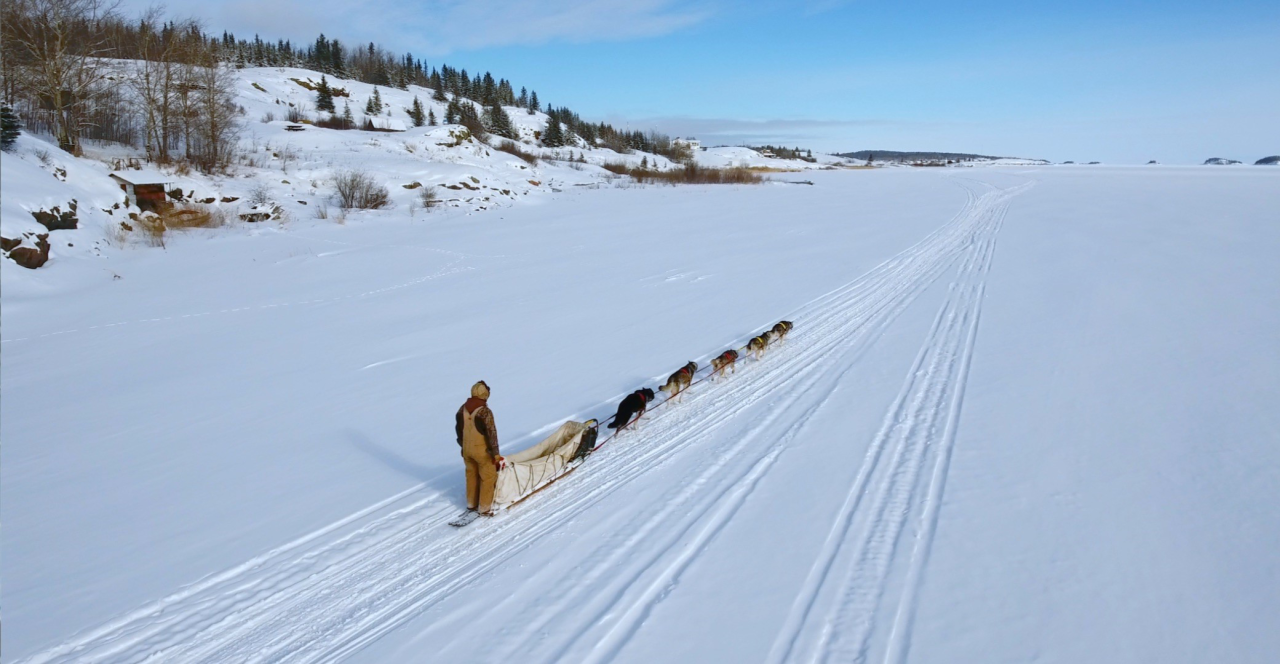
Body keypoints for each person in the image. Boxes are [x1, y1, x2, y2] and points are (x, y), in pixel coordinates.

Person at [456, 380, 505, 515]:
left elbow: (458, 430)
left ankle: (471, 504)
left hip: (467, 450)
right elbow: (491, 434)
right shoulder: (485, 412)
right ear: (484, 394)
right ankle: (484, 508)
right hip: (481, 451)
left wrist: (463, 446)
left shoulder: (462, 409)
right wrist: (495, 454)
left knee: (471, 476)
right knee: (487, 477)